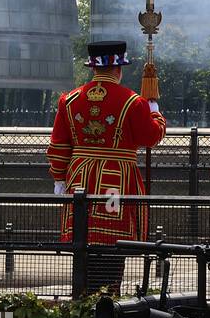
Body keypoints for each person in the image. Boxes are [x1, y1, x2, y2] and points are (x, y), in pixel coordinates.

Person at [46, 40, 166, 296]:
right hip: (116, 182)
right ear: (119, 68)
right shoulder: (133, 101)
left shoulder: (69, 99)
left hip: (79, 179)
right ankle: (107, 302)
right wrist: (155, 114)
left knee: (84, 245)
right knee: (112, 247)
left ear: (93, 68)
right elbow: (149, 138)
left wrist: (58, 177)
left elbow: (58, 145)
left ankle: (83, 301)